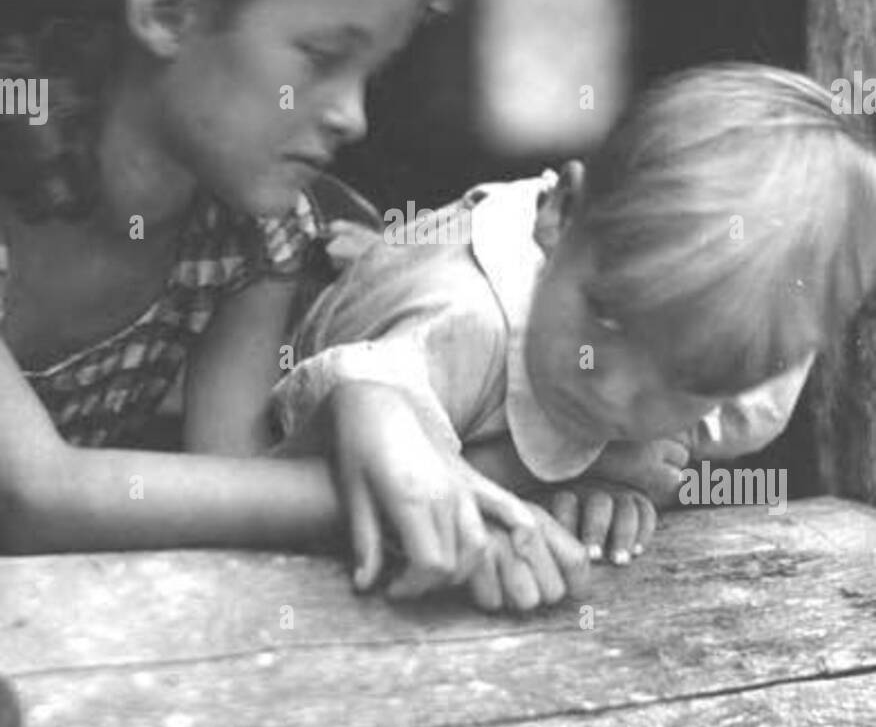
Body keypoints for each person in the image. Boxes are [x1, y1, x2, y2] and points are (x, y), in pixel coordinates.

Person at [0, 0, 590, 612]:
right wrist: (433, 487)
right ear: (168, 9)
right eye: (319, 58)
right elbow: (31, 498)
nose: (352, 118)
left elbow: (226, 489)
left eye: (369, 77)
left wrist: (364, 407)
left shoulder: (252, 236)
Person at [252, 64, 876, 595]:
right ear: (560, 211)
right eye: (607, 316)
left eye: (687, 378)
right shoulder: (464, 326)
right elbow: (307, 449)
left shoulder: (734, 353)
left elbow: (680, 448)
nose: (616, 389)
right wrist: (491, 506)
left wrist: (595, 473)